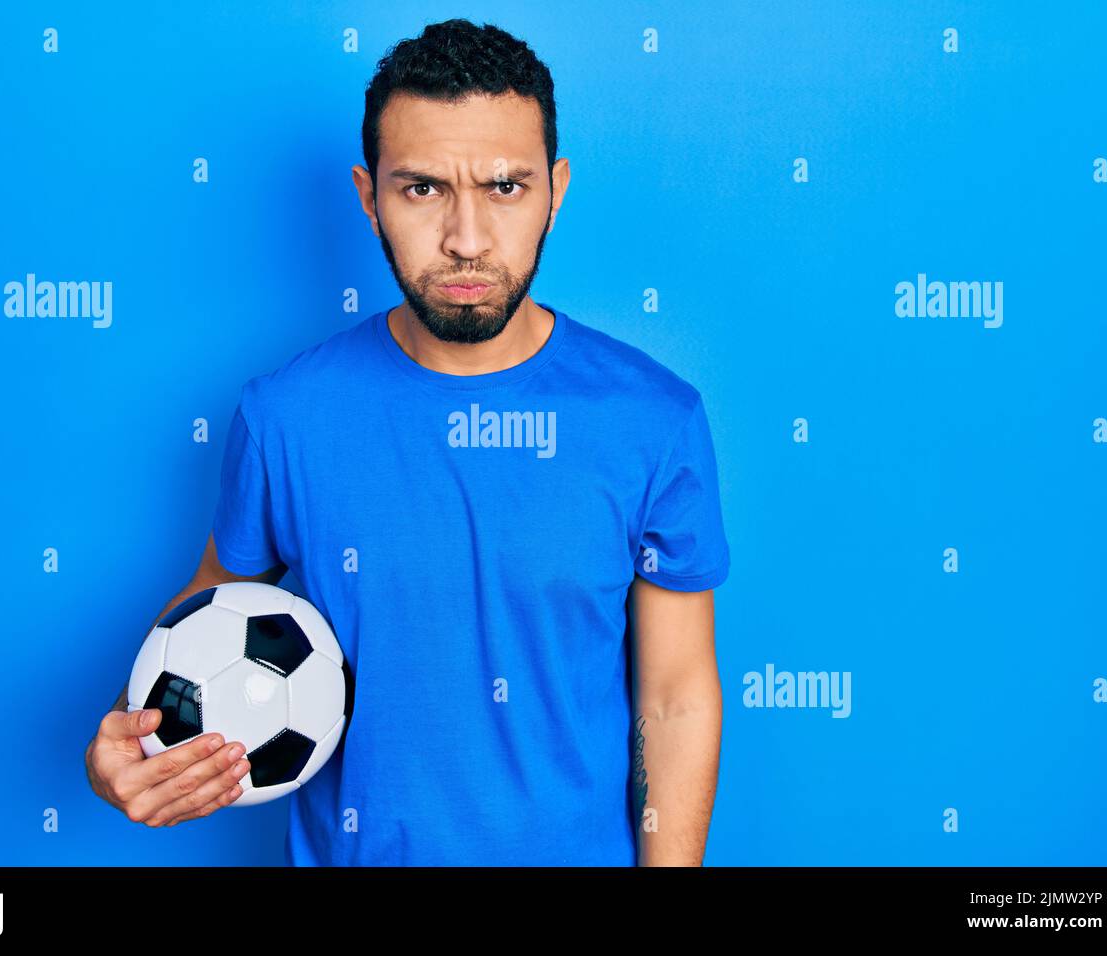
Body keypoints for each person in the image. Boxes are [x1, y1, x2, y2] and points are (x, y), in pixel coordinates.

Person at [86, 17, 731, 866]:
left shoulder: (654, 420)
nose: (466, 237)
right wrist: (132, 749)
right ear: (369, 195)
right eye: (422, 189)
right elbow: (208, 614)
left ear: (555, 189)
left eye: (505, 187)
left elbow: (675, 696)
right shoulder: (285, 417)